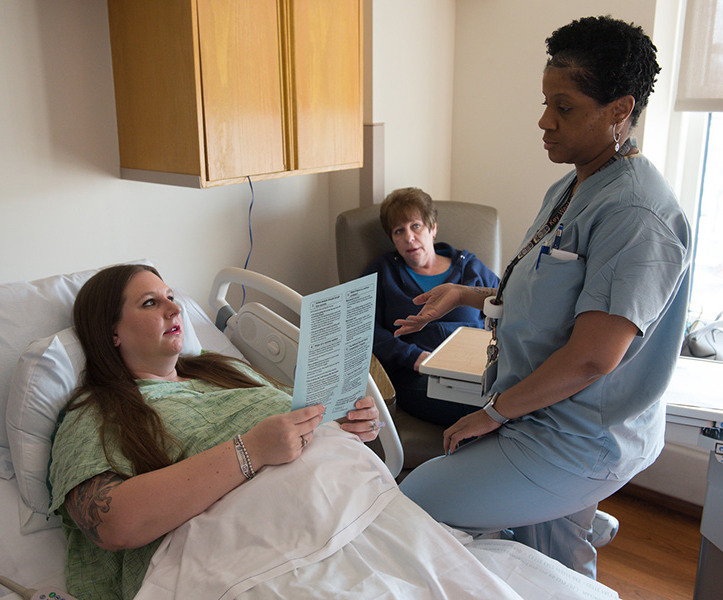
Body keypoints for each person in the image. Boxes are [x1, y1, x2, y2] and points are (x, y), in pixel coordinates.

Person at [396, 16, 690, 579]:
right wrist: (468, 292)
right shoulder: (576, 181)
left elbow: (592, 356)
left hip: (576, 436)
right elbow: (552, 298)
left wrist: (493, 413)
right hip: (542, 411)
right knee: (551, 558)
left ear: (619, 110)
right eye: (545, 102)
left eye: (565, 106)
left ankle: (564, 514)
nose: (544, 121)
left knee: (415, 503)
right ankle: (567, 534)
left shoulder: (634, 212)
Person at [47, 264, 381, 600]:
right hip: (256, 556)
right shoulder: (95, 413)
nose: (175, 308)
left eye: (172, 298)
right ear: (112, 332)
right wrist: (251, 451)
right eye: (150, 303)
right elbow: (112, 525)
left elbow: (292, 427)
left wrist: (342, 423)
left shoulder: (223, 369)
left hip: (355, 511)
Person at [364, 187, 499, 426]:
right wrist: (413, 357)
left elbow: (509, 307)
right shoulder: (383, 272)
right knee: (488, 408)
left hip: (475, 369)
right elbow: (364, 331)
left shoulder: (471, 269)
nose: (408, 237)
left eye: (415, 226)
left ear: (433, 228)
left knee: (512, 396)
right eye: (398, 231)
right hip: (417, 374)